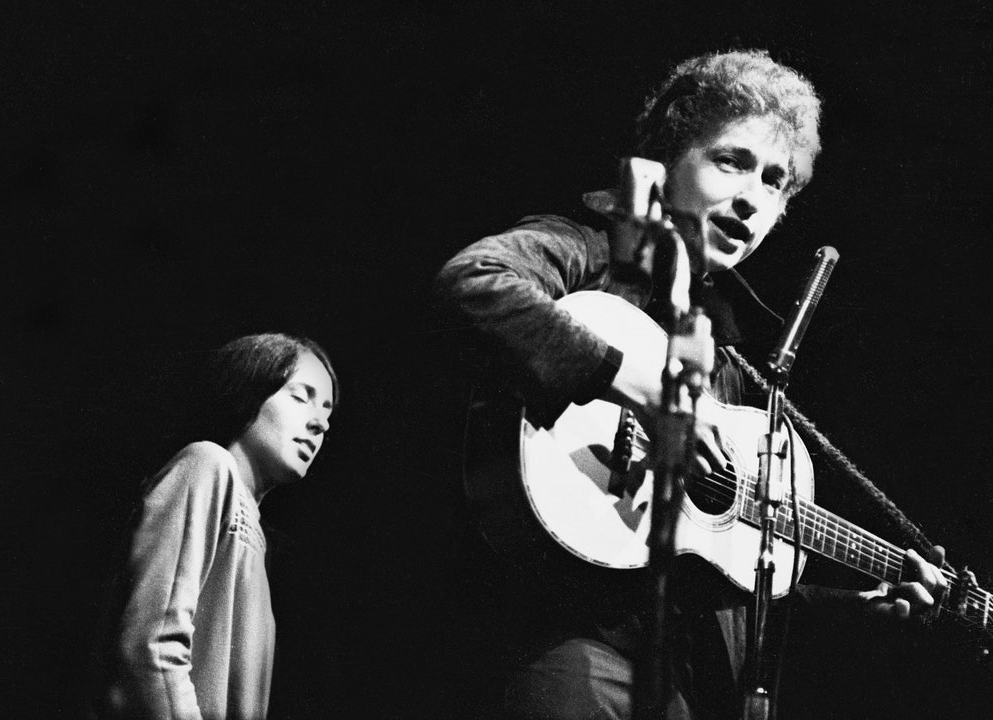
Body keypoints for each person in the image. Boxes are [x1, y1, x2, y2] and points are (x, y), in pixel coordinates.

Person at [434, 49, 947, 720]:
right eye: (730, 161)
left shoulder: (732, 369)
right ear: (670, 157)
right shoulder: (586, 254)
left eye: (774, 181)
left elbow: (720, 572)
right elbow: (472, 283)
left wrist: (855, 608)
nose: (752, 198)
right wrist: (638, 384)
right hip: (563, 655)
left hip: (682, 685)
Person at [89, 333, 337, 720]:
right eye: (301, 395)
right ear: (251, 389)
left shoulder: (257, 536)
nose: (320, 423)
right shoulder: (207, 466)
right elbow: (152, 650)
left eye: (327, 412)